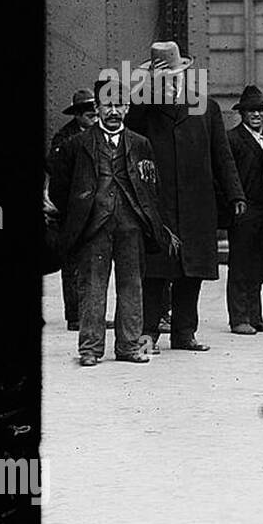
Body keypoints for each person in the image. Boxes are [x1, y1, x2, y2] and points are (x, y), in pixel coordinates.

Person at [125, 41, 246, 353]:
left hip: (197, 205)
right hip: (158, 204)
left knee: (191, 272)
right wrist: (147, 89)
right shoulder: (143, 108)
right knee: (154, 272)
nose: (171, 80)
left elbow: (223, 157)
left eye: (175, 74)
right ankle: (148, 331)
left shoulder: (206, 107)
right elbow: (128, 133)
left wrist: (235, 193)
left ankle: (184, 332)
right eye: (164, 76)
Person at [48, 86, 170, 366]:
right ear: (98, 108)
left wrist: (146, 218)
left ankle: (128, 346)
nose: (113, 111)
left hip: (131, 226)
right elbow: (59, 188)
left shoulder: (140, 144)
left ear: (127, 107)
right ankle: (90, 349)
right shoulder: (77, 144)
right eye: (107, 106)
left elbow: (152, 185)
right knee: (92, 287)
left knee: (132, 285)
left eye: (119, 105)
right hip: (93, 228)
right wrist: (79, 214)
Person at [225, 84, 263, 335]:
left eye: (260, 110)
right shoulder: (232, 139)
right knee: (240, 265)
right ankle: (238, 319)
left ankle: (255, 317)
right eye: (251, 111)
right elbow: (225, 176)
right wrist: (234, 203)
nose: (257, 115)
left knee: (257, 265)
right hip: (243, 210)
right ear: (242, 113)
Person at [47, 86, 100, 331]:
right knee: (71, 266)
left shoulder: (101, 136)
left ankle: (91, 314)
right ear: (77, 115)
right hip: (71, 211)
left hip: (94, 208)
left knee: (93, 265)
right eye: (87, 112)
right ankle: (75, 316)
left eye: (94, 111)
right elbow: (57, 177)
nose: (93, 115)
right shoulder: (64, 140)